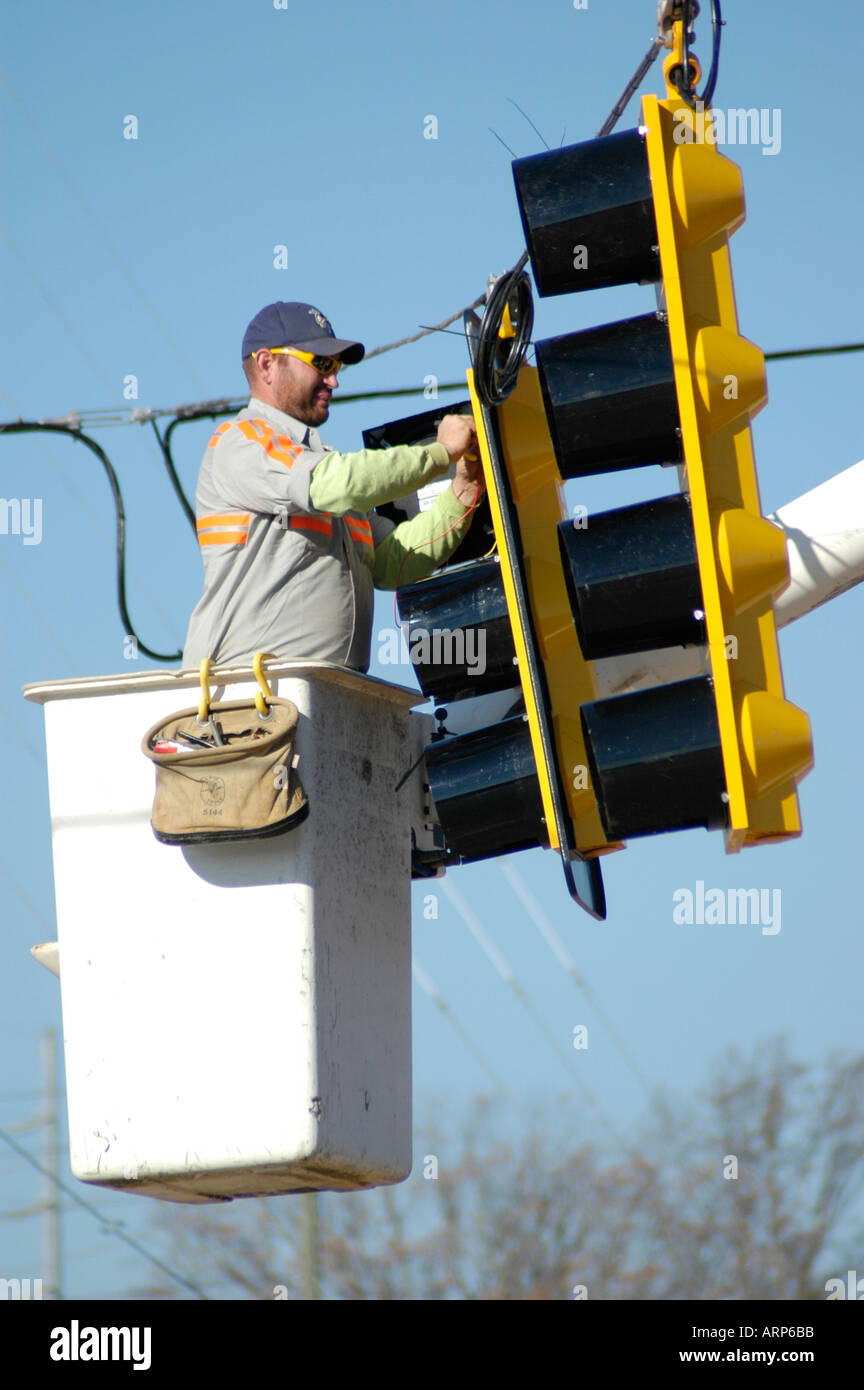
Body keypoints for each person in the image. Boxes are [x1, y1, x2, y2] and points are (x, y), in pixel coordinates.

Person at [182, 301, 482, 671]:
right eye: (321, 363)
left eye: (336, 366)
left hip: (323, 697)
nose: (334, 379)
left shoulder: (319, 465)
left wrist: (462, 492)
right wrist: (441, 452)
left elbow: (391, 560)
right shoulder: (242, 441)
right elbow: (334, 482)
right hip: (248, 700)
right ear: (266, 364)